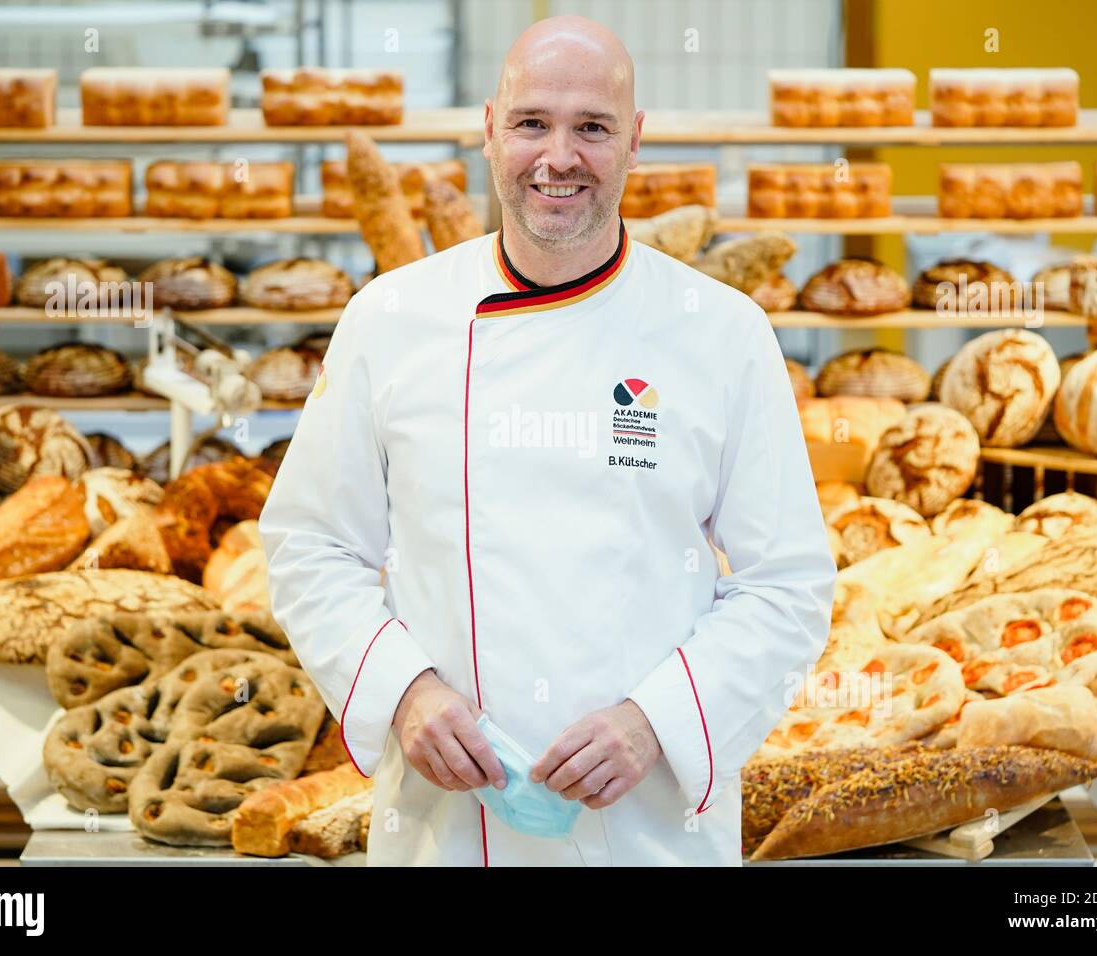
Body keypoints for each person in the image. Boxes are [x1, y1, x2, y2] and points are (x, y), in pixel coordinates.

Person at [259, 14, 835, 866]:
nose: (557, 157)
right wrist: (403, 693)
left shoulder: (723, 332)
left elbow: (786, 584)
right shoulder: (389, 319)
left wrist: (655, 723)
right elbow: (310, 545)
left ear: (635, 143)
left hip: (647, 829)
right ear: (490, 131)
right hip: (448, 830)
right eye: (532, 123)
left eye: (592, 128)